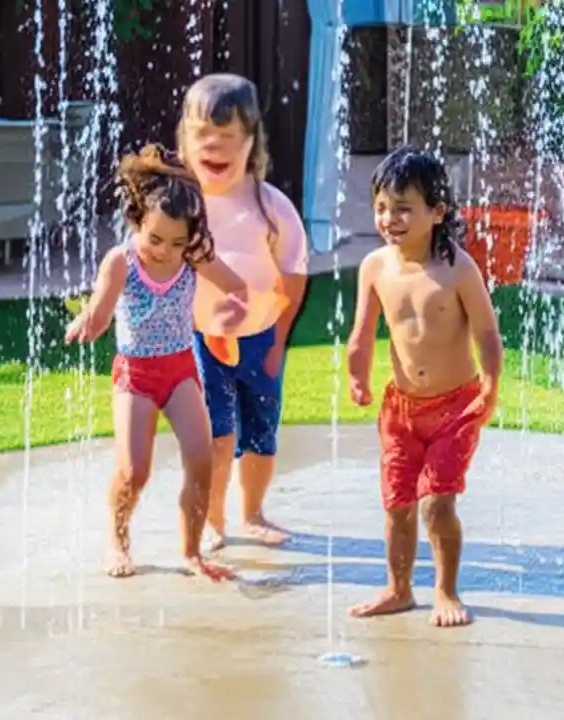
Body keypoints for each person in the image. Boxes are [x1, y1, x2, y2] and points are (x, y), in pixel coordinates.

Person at [64, 144, 247, 581]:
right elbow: (103, 313)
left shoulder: (193, 257)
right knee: (135, 469)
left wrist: (228, 317)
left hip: (181, 370)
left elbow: (236, 288)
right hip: (136, 375)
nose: (165, 250)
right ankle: (117, 540)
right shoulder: (121, 262)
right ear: (137, 222)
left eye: (177, 242)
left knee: (201, 459)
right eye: (156, 239)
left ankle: (191, 552)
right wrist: (89, 322)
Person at [345, 147, 504, 628]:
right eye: (381, 207)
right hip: (402, 410)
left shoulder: (457, 269)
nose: (389, 218)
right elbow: (362, 330)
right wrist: (357, 373)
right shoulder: (375, 266)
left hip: (455, 407)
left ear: (437, 212)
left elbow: (486, 334)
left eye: (402, 208)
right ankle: (398, 589)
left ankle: (446, 590)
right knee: (397, 505)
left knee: (436, 504)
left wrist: (491, 386)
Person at [177, 73, 310, 550]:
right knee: (216, 437)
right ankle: (214, 521)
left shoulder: (269, 206)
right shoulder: (181, 207)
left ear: (250, 142)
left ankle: (253, 513)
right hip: (201, 341)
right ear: (184, 140)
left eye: (228, 136)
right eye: (202, 135)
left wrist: (279, 339)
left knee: (262, 433)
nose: (214, 146)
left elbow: (293, 273)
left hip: (260, 338)